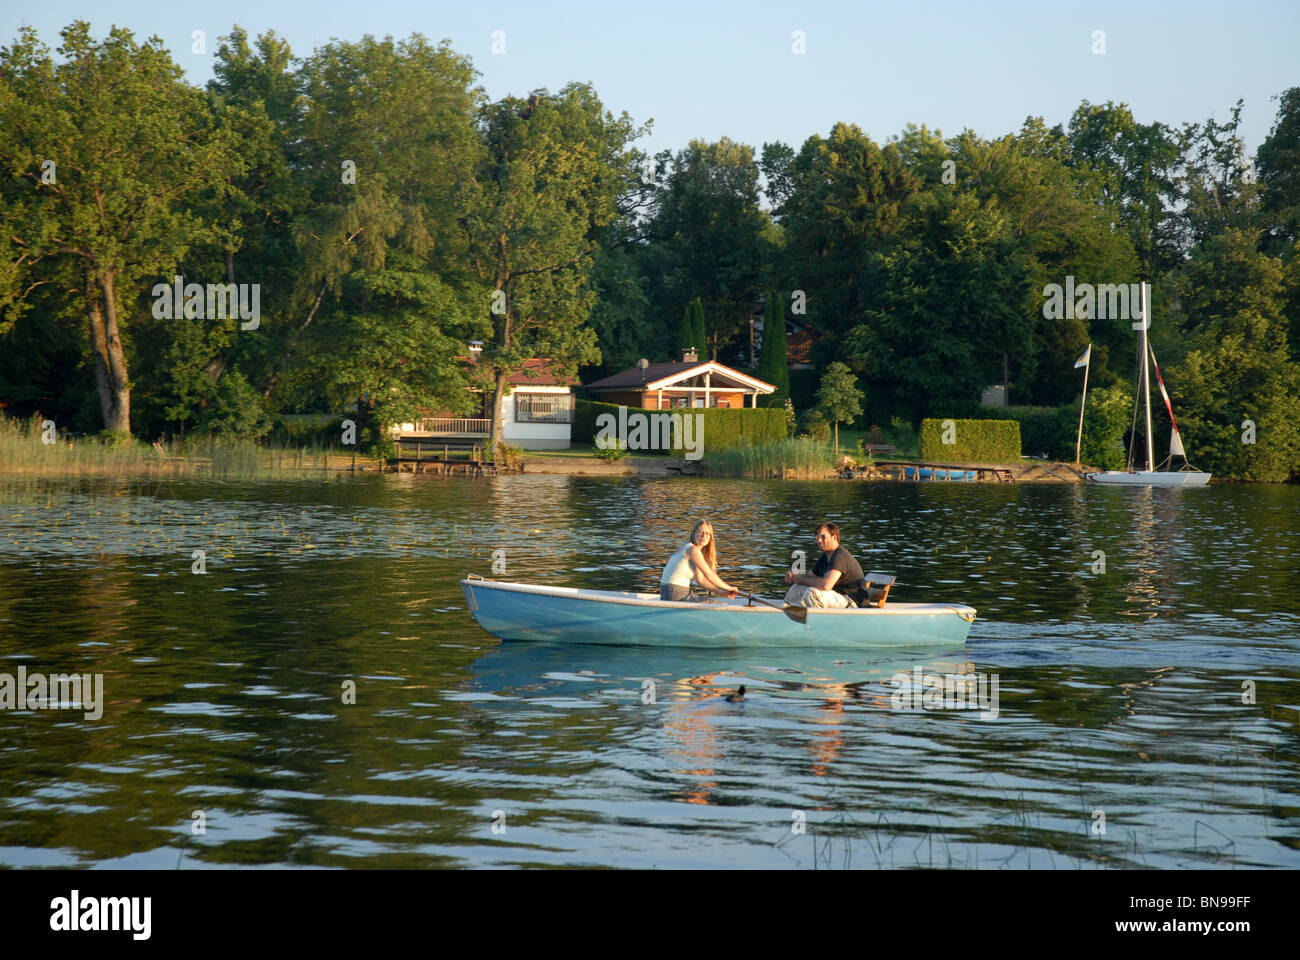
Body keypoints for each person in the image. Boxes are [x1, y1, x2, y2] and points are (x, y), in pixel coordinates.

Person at [783, 522, 867, 608]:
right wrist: (793, 577)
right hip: (836, 597)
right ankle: (791, 615)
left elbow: (826, 585)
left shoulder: (840, 556)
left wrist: (799, 579)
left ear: (834, 537)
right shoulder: (825, 556)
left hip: (852, 602)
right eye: (817, 537)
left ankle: (817, 620)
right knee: (797, 588)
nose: (819, 540)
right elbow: (810, 577)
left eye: (823, 537)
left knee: (813, 593)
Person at [660, 520, 740, 602]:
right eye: (700, 532)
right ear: (694, 533)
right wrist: (729, 588)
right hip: (675, 593)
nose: (703, 535)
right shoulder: (692, 550)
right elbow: (710, 575)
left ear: (710, 538)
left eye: (707, 533)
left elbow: (701, 579)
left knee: (713, 602)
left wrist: (721, 593)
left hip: (669, 592)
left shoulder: (690, 549)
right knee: (716, 604)